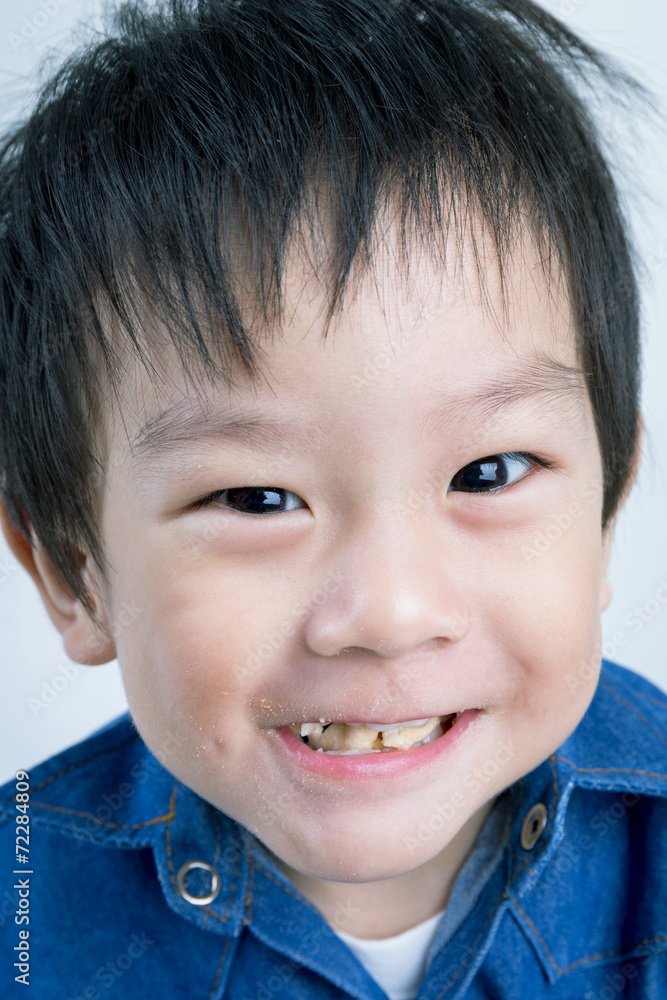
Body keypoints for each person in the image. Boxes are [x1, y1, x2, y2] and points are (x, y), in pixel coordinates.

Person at [0, 0, 665, 996]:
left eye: (485, 474)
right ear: (72, 572)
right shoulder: (26, 911)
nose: (392, 613)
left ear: (607, 510)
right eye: (257, 497)